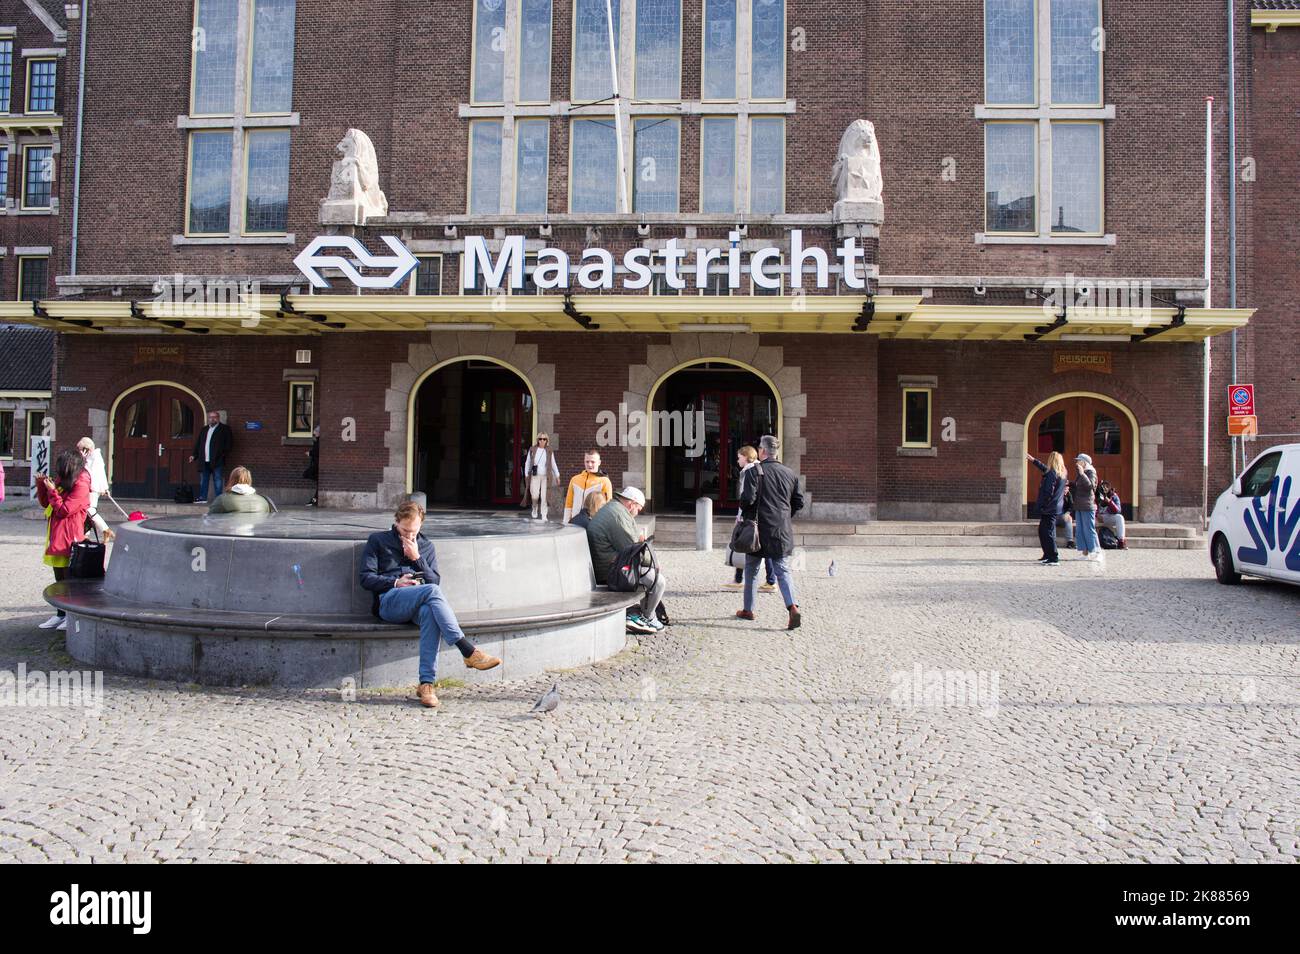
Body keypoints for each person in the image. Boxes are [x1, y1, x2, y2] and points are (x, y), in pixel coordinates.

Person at [360, 500, 501, 708]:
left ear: (421, 527)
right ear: (396, 522)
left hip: (419, 603)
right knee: (432, 593)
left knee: (430, 611)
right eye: (405, 530)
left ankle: (426, 684)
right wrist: (396, 582)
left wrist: (417, 558)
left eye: (413, 532)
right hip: (389, 601)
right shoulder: (378, 541)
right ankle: (468, 651)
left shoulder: (425, 546)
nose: (409, 536)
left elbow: (434, 580)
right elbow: (365, 578)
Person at [736, 435, 804, 629]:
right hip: (780, 529)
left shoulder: (754, 472)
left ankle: (748, 609)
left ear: (762, 451)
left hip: (757, 528)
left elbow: (747, 500)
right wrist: (783, 516)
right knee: (782, 570)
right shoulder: (789, 473)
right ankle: (792, 607)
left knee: (751, 570)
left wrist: (746, 515)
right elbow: (799, 502)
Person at [585, 487, 665, 635]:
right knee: (658, 580)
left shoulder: (613, 509)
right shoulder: (619, 516)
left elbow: (631, 545)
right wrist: (654, 562)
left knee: (651, 575)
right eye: (638, 509)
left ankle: (646, 614)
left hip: (606, 565)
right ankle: (647, 617)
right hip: (609, 572)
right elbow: (633, 552)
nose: (638, 513)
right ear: (631, 504)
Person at [35, 449, 92, 631]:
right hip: (56, 533)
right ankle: (60, 614)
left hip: (69, 536)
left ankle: (71, 615)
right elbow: (46, 504)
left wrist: (53, 492)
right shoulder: (64, 478)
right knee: (58, 576)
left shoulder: (81, 482)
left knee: (69, 578)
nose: (58, 473)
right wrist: (42, 485)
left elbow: (64, 510)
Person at [724, 446, 777, 591]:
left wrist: (740, 515)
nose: (737, 460)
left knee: (750, 544)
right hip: (762, 515)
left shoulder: (749, 471)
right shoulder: (758, 469)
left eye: (739, 457)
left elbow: (746, 497)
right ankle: (740, 579)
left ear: (746, 457)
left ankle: (770, 581)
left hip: (752, 516)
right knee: (750, 544)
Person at [1027, 451, 1068, 566]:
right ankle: (1047, 554)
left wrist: (1043, 504)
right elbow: (1044, 468)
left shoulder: (1052, 474)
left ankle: (1053, 557)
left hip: (1049, 507)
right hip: (1055, 507)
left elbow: (1048, 491)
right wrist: (1034, 460)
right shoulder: (1062, 473)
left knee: (1047, 532)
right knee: (1043, 531)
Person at [189, 410, 233, 504]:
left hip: (217, 460)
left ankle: (218, 499)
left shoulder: (224, 429)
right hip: (204, 460)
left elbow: (229, 444)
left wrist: (222, 455)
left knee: (217, 479)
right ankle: (203, 498)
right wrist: (194, 455)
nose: (212, 419)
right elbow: (199, 443)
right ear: (208, 418)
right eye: (210, 417)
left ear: (218, 418)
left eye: (214, 417)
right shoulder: (204, 429)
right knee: (203, 479)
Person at [76, 437, 115, 543]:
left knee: (89, 509)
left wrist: (104, 488)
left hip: (92, 488)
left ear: (86, 449)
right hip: (91, 487)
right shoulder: (93, 457)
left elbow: (94, 474)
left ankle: (105, 529)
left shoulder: (93, 459)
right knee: (86, 511)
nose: (79, 451)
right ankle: (86, 535)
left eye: (80, 449)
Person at [562, 449, 614, 524]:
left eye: (593, 462)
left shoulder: (604, 481)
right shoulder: (574, 479)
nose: (589, 464)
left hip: (594, 523)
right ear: (584, 461)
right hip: (575, 522)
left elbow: (608, 505)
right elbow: (569, 503)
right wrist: (565, 522)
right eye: (587, 461)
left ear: (599, 462)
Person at [522, 432, 560, 520]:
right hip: (535, 475)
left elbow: (553, 463)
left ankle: (544, 514)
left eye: (544, 439)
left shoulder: (549, 450)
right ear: (537, 440)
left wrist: (557, 475)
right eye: (540, 439)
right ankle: (534, 507)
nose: (542, 441)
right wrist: (526, 474)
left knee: (544, 496)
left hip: (546, 477)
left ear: (547, 440)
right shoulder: (532, 449)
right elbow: (527, 462)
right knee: (535, 495)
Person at [1071, 453, 1101, 562]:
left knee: (1089, 529)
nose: (1077, 463)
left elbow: (1090, 487)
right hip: (1079, 504)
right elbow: (1079, 486)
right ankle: (1085, 552)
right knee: (1080, 530)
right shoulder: (1080, 473)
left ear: (1084, 462)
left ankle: (1097, 552)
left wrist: (1082, 474)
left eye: (1079, 461)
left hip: (1088, 505)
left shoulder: (1091, 472)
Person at [208, 466, 273, 514]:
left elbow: (211, 519)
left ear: (231, 480)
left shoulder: (222, 500)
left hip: (231, 532)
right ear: (249, 480)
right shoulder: (264, 501)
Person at [1096, 480, 1128, 549]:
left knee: (1120, 517)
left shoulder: (1114, 496)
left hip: (1108, 516)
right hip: (1098, 516)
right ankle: (1092, 543)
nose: (1105, 489)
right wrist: (1096, 514)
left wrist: (1110, 502)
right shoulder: (1096, 494)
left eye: (1107, 487)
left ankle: (1121, 541)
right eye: (1103, 487)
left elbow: (1118, 510)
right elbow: (1092, 506)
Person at [304, 424, 320, 507]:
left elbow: (317, 451)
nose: (314, 433)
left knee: (318, 484)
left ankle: (314, 500)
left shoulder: (319, 442)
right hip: (316, 464)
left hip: (317, 465)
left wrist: (310, 453)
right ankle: (314, 500)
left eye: (316, 432)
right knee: (318, 484)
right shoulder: (317, 441)